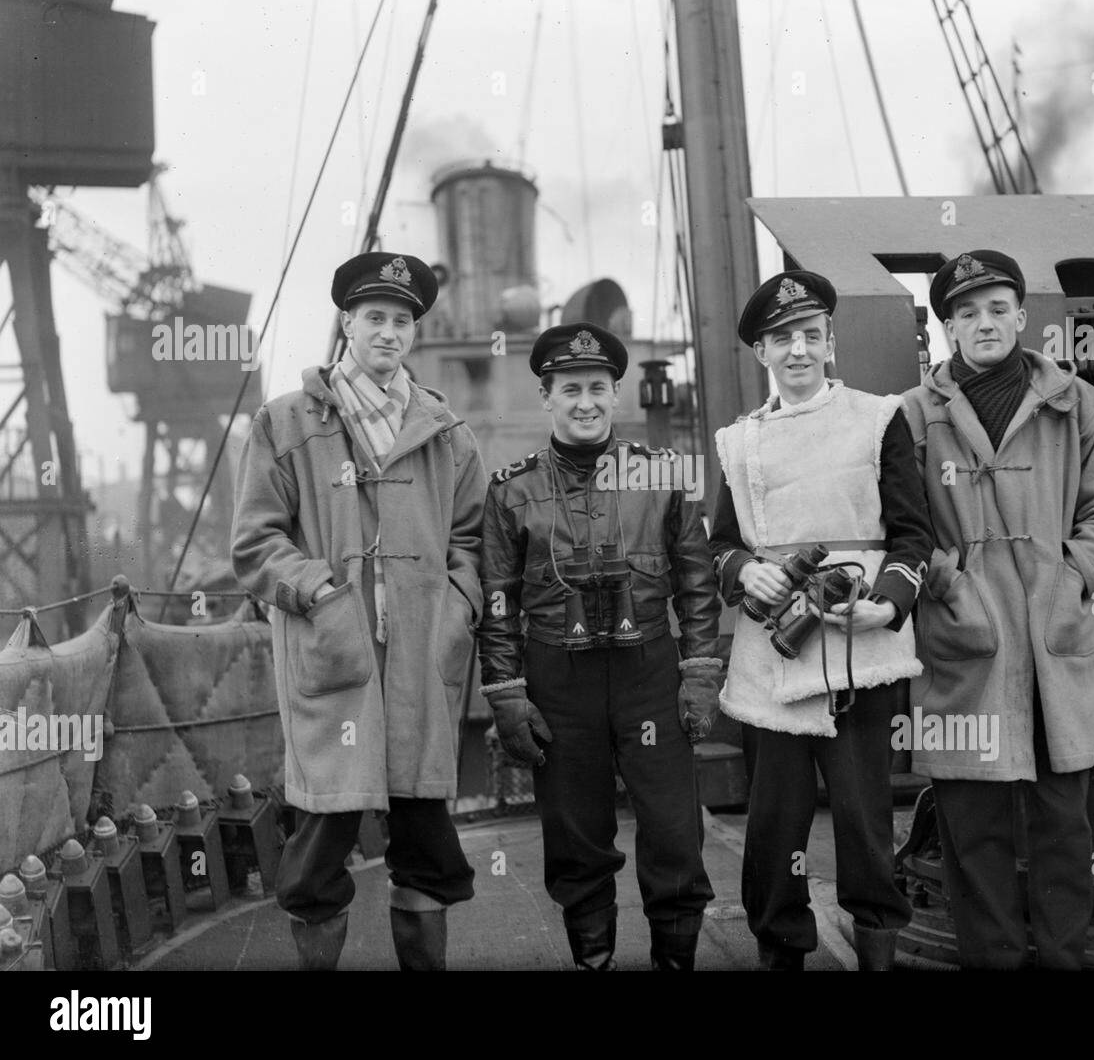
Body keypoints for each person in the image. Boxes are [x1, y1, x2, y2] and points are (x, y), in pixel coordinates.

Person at [231, 251, 486, 971]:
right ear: (348, 324)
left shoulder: (448, 434)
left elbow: (470, 539)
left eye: (402, 320)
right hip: (333, 660)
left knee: (428, 848)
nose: (389, 332)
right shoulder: (284, 423)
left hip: (417, 665)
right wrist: (317, 590)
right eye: (374, 317)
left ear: (413, 333)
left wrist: (457, 607)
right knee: (315, 857)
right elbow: (253, 543)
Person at [901, 250, 1094, 969]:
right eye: (965, 313)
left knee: (1064, 828)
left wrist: (1072, 573)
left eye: (997, 308)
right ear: (946, 329)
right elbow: (900, 522)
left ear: (1022, 315)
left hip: (1054, 638)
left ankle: (1063, 961)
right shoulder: (915, 416)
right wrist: (948, 581)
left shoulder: (1077, 405)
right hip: (966, 642)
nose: (984, 323)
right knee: (974, 833)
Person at [477, 321, 721, 971]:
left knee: (674, 834)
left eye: (597, 387)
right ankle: (595, 958)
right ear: (546, 397)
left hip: (649, 674)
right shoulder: (510, 491)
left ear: (615, 395)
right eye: (569, 388)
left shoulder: (665, 478)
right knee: (576, 837)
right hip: (559, 683)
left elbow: (697, 583)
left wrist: (699, 671)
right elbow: (497, 601)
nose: (584, 400)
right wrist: (505, 691)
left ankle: (676, 959)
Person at [709, 270, 933, 971]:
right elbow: (717, 542)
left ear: (830, 341)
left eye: (811, 335)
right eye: (783, 338)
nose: (798, 350)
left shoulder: (878, 417)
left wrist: (888, 603)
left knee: (866, 824)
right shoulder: (739, 442)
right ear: (762, 353)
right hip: (770, 660)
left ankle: (877, 953)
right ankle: (782, 950)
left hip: (858, 652)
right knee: (776, 830)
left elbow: (912, 535)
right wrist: (746, 568)